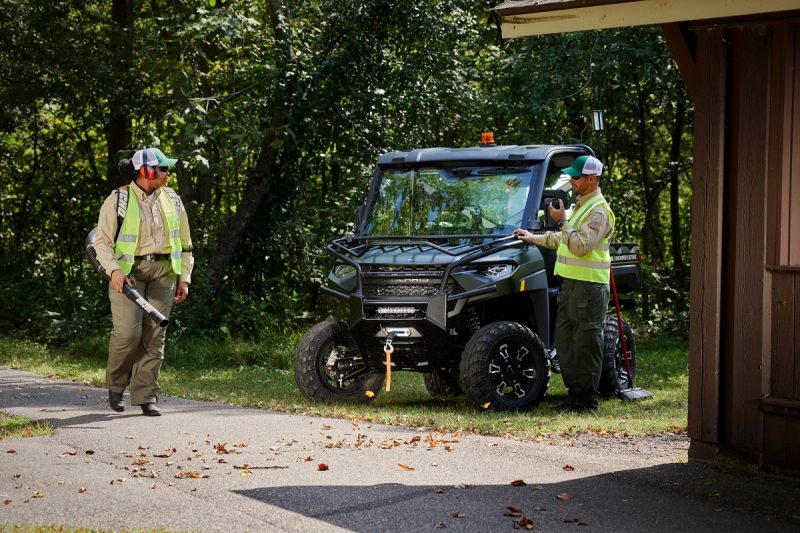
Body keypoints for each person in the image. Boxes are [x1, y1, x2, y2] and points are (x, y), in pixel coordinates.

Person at [93, 147, 193, 416]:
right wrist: (114, 271)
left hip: (165, 272)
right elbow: (102, 242)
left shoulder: (172, 199)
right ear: (146, 171)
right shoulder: (118, 199)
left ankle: (146, 396)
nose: (167, 173)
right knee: (128, 334)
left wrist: (184, 277)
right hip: (129, 273)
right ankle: (116, 386)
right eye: (163, 168)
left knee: (154, 336)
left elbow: (185, 243)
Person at [514, 155, 614, 412]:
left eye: (576, 177)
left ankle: (586, 401)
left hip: (589, 288)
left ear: (592, 179)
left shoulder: (599, 211)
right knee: (566, 343)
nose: (572, 181)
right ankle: (574, 397)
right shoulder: (581, 206)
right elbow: (564, 239)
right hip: (571, 286)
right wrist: (533, 238)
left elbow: (580, 246)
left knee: (586, 345)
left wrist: (562, 221)